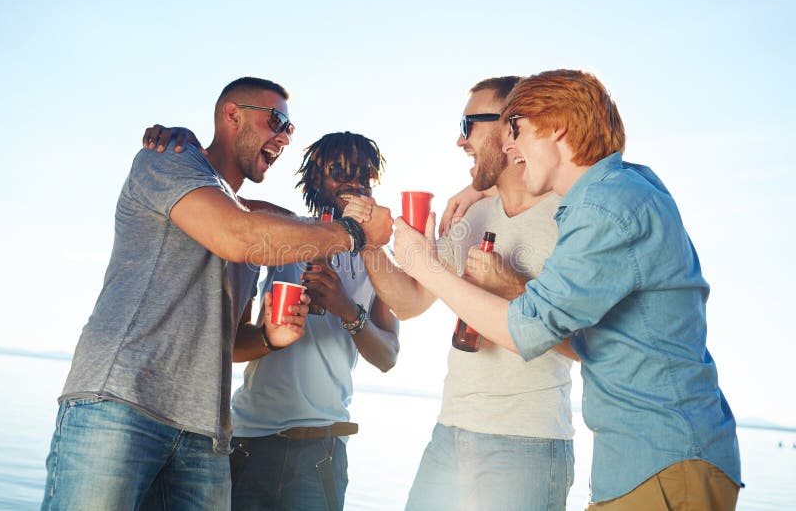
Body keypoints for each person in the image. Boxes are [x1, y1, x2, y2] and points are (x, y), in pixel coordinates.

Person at [392, 69, 743, 509]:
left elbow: (530, 330)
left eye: (515, 132)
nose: (508, 147)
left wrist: (424, 265)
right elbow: (561, 325)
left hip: (665, 459)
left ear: (555, 127)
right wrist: (484, 187)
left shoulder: (605, 206)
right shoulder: (620, 191)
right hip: (646, 461)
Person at [41, 77, 393, 510]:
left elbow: (229, 340)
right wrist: (355, 233)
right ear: (232, 115)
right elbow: (236, 234)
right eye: (277, 120)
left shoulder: (261, 227)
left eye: (290, 130)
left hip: (205, 434)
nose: (283, 136)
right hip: (120, 406)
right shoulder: (169, 162)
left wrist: (268, 338)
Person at [351, 76, 577, 510]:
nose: (459, 140)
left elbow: (583, 338)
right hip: (450, 432)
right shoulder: (472, 214)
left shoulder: (565, 218)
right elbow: (411, 301)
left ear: (513, 127)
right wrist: (370, 242)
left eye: (468, 123)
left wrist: (508, 285)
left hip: (527, 440)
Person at [228, 131, 400, 511]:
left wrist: (346, 309)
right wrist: (180, 142)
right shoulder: (282, 237)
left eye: (363, 174)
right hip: (249, 442)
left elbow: (388, 356)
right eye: (340, 171)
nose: (354, 182)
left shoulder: (377, 262)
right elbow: (225, 202)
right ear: (315, 180)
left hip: (322, 451)